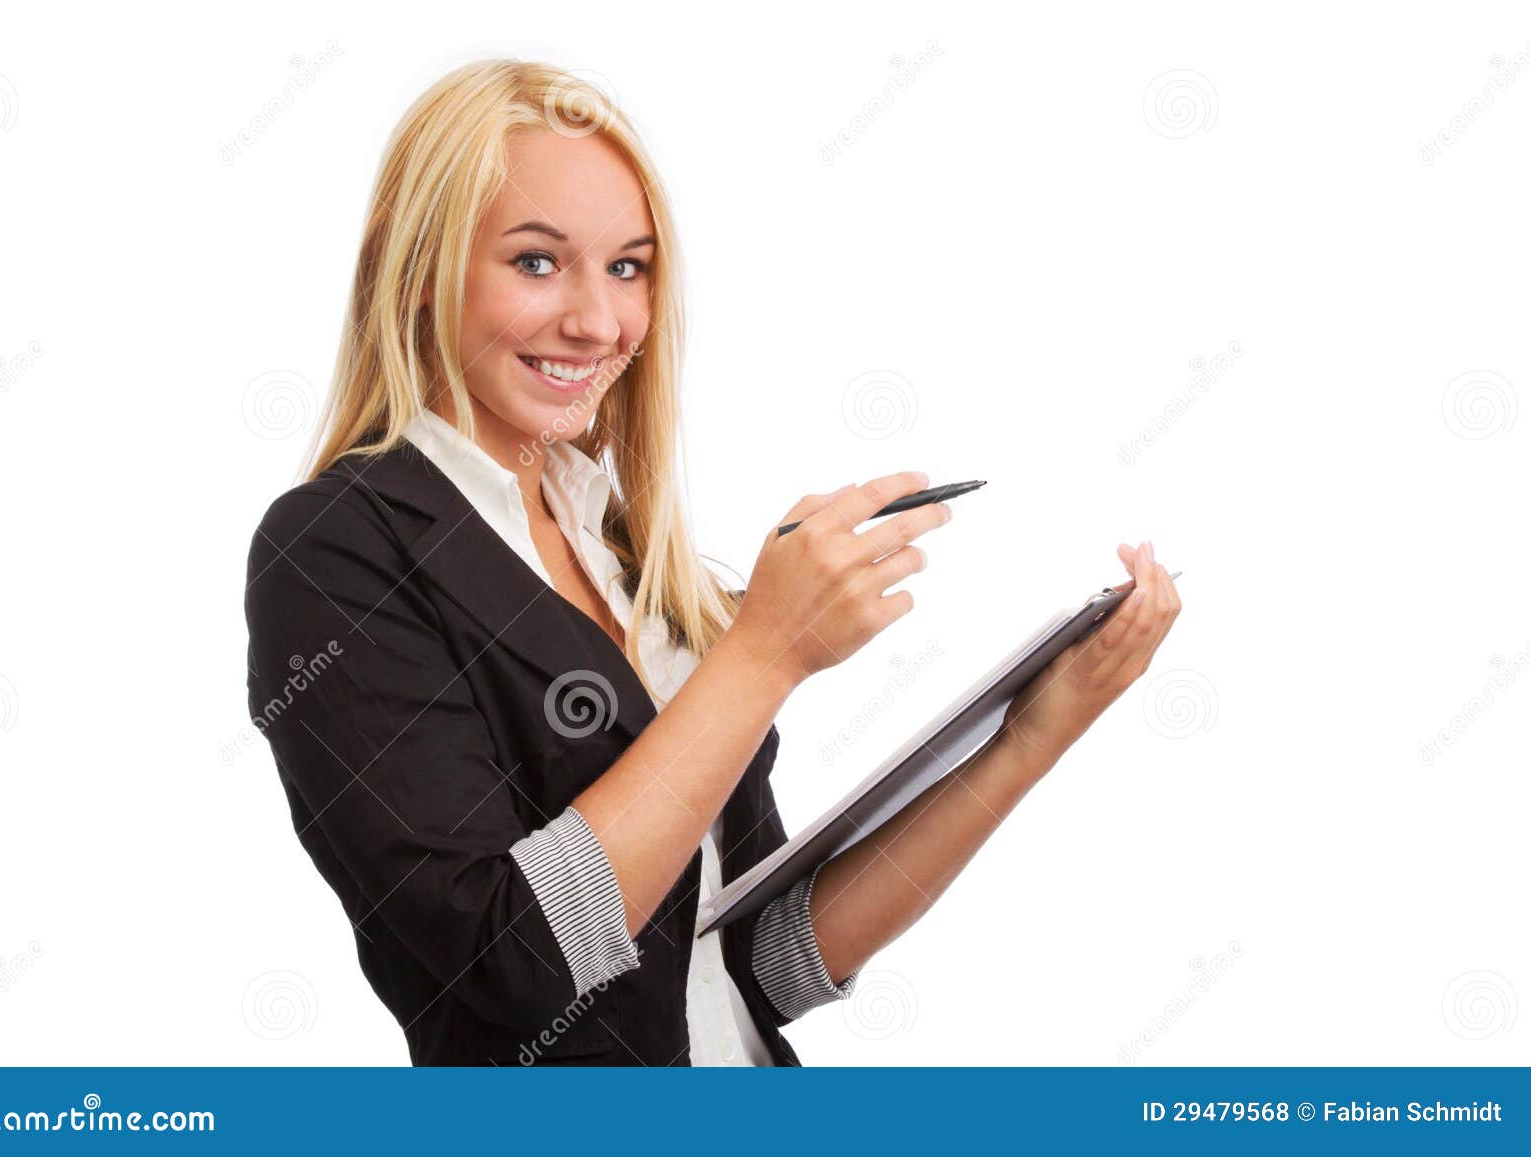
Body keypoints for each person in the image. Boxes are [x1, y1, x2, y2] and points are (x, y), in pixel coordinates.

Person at [242, 58, 1181, 1066]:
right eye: (535, 261)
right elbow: (506, 963)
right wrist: (766, 651)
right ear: (420, 269)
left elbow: (763, 958)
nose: (599, 323)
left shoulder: (626, 555)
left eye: (628, 266)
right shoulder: (335, 548)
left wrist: (1030, 737)